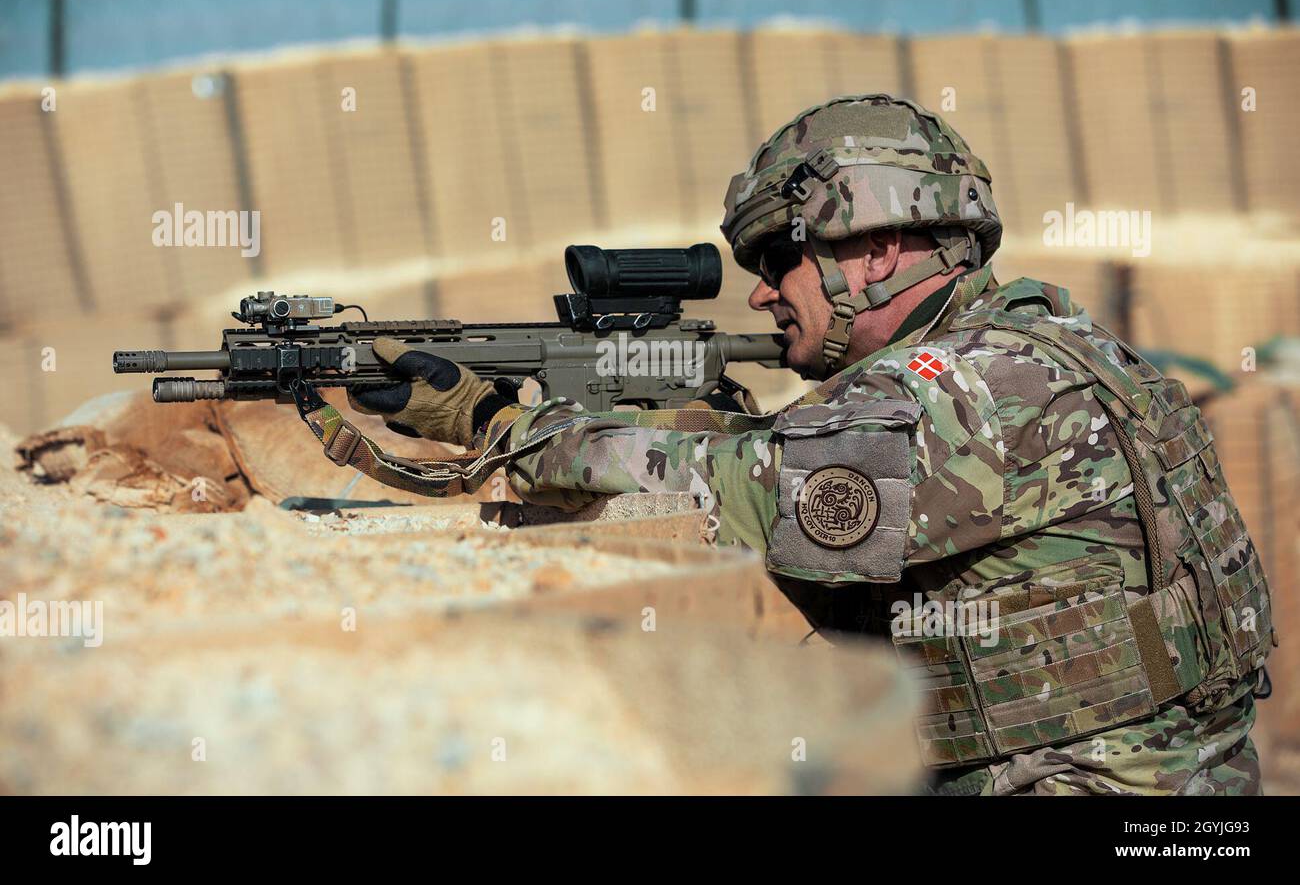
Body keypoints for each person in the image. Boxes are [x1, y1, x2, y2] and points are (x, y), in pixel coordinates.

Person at [340, 94, 1274, 795]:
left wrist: (502, 427)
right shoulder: (1060, 344)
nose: (760, 294)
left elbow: (748, 494)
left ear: (870, 250)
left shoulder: (967, 392)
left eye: (778, 259)